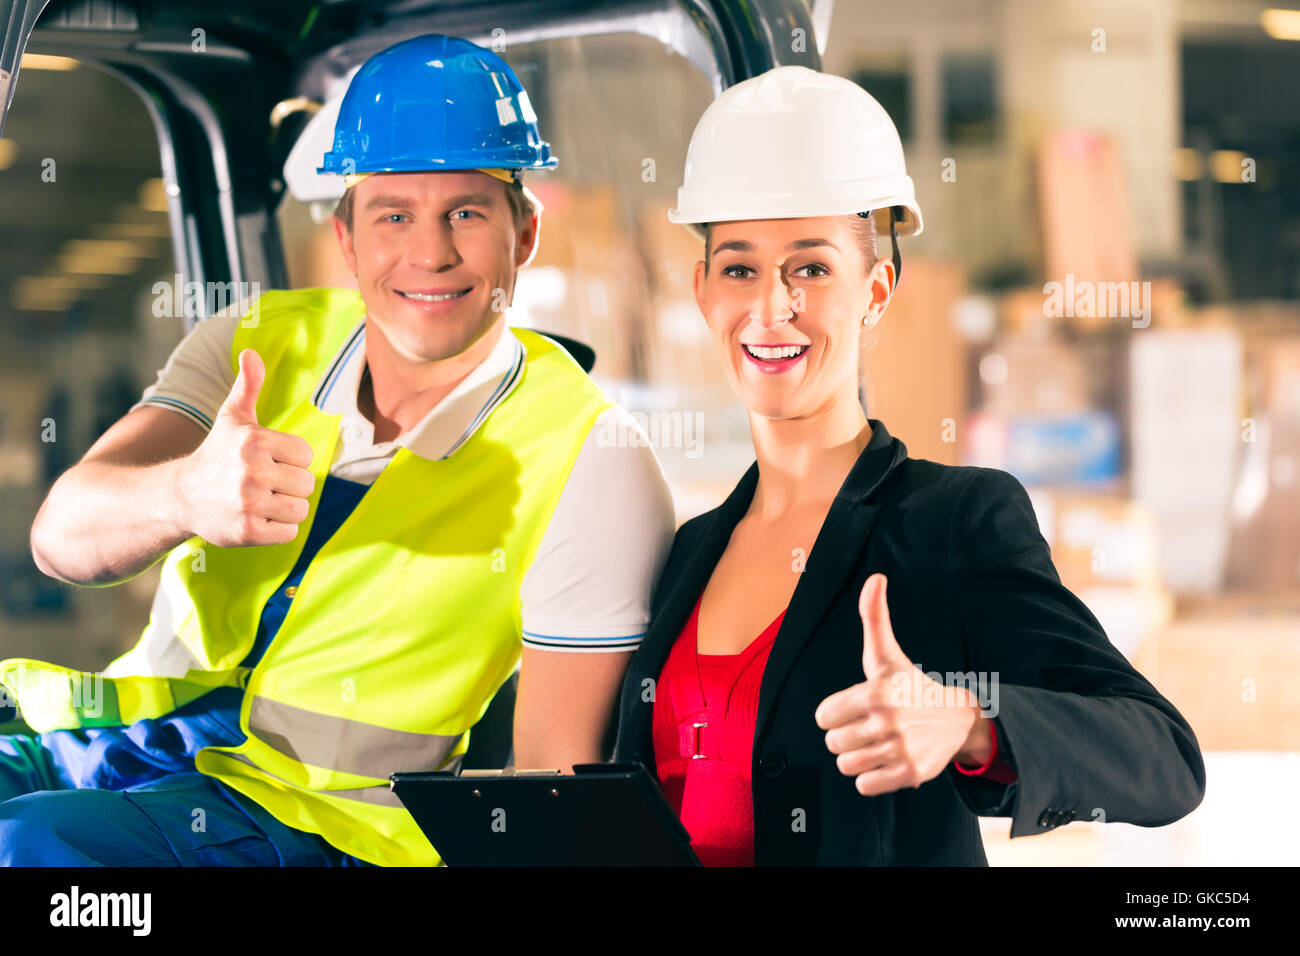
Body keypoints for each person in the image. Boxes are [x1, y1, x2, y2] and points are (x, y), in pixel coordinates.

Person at [0, 34, 675, 867]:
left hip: (317, 829)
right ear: (350, 237)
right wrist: (185, 497)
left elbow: (543, 791)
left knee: (30, 848)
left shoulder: (592, 456)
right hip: (122, 753)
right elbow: (59, 541)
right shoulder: (256, 342)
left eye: (466, 212)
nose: (431, 253)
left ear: (525, 232)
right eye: (395, 214)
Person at [612, 65, 1205, 866]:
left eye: (812, 267)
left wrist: (970, 722)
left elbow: (1164, 760)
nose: (770, 307)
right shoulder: (690, 551)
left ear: (877, 290)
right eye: (739, 267)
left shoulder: (948, 522)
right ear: (702, 290)